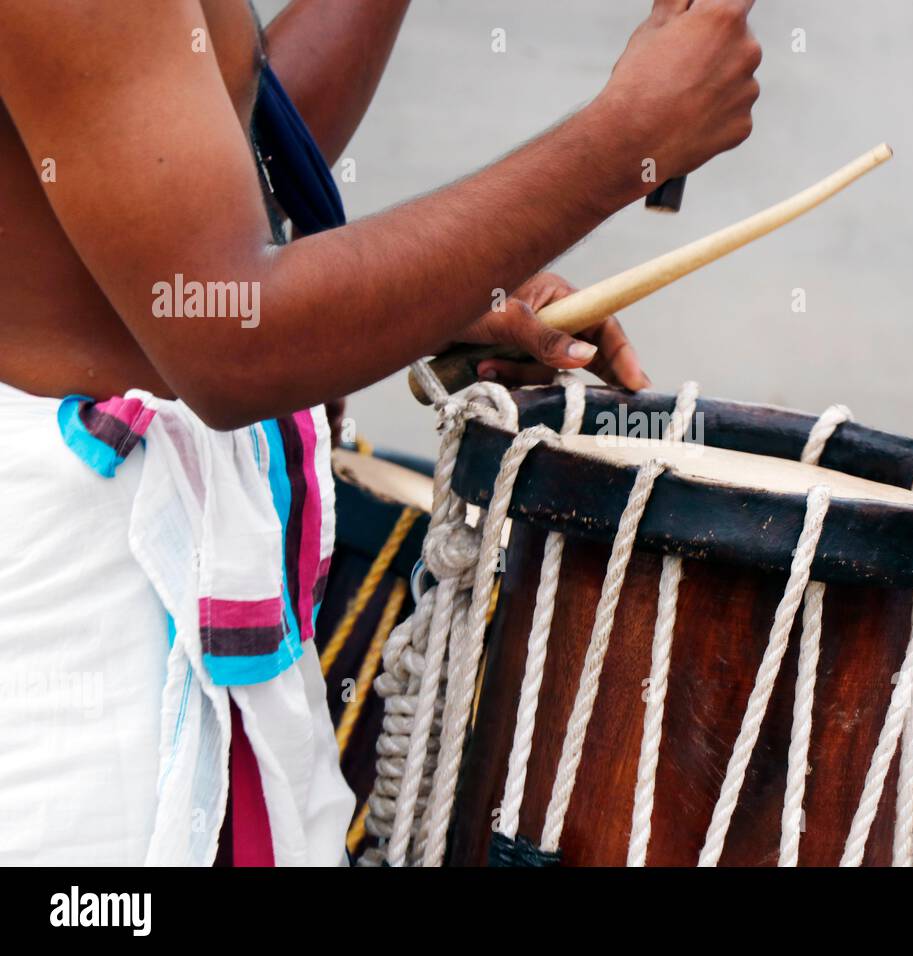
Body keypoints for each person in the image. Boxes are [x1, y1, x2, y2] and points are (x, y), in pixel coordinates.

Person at [0, 0, 761, 865]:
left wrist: (416, 297)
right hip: (75, 669)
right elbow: (231, 335)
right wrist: (627, 139)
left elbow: (210, 155)